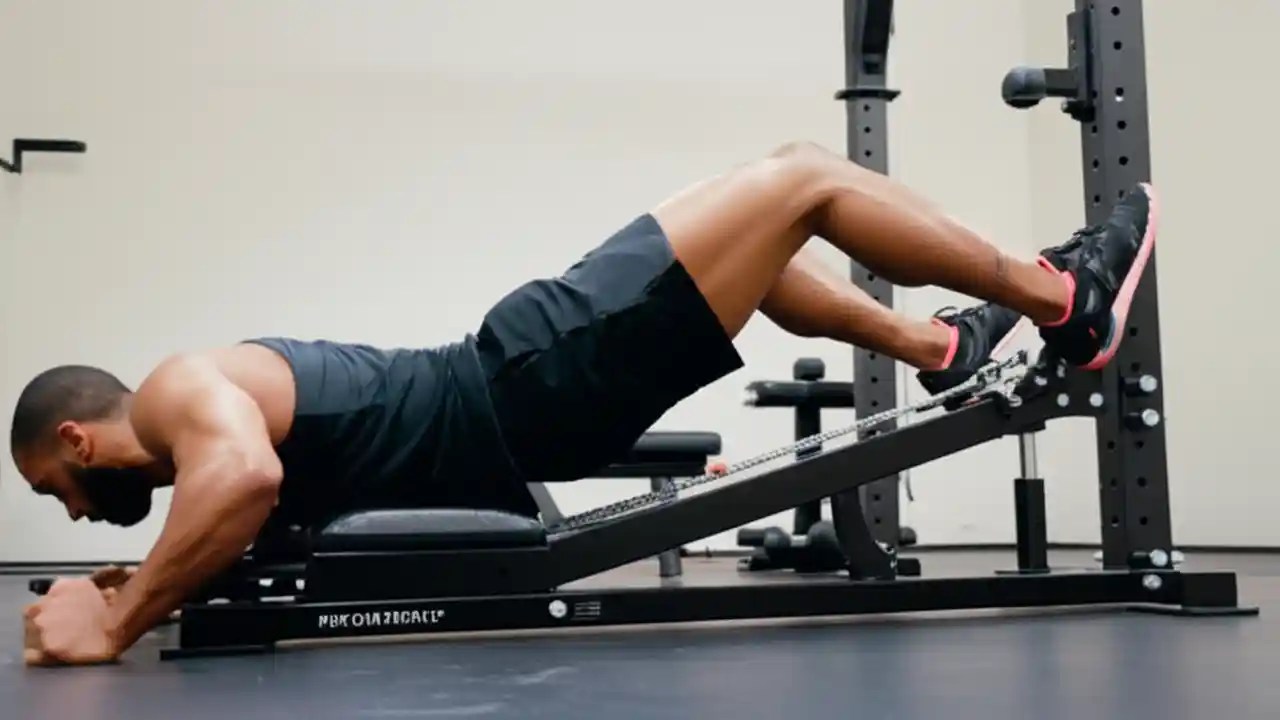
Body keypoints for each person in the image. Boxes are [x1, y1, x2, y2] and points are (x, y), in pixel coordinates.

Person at [13, 141, 1156, 666]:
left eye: (55, 488)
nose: (69, 513)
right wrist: (135, 603)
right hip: (518, 389)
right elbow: (248, 484)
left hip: (517, 385)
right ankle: (1062, 298)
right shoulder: (182, 406)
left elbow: (243, 482)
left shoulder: (172, 397)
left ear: (76, 435)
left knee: (755, 232)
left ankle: (947, 338)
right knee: (797, 180)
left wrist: (127, 603)